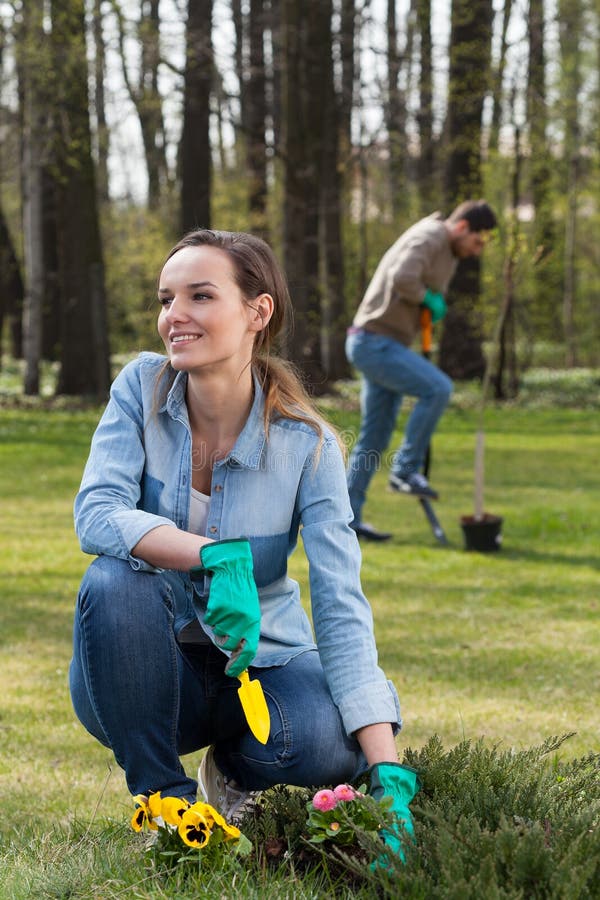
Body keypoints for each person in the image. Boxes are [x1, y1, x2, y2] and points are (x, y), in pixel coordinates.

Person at [69, 229, 419, 849]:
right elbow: (96, 512)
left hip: (260, 664)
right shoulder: (140, 389)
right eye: (165, 298)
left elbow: (341, 603)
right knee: (116, 578)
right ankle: (168, 806)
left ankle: (229, 773)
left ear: (258, 312)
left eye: (200, 296)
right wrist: (210, 553)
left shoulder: (306, 445)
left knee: (322, 745)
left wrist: (385, 766)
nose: (173, 316)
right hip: (142, 670)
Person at [345, 200, 497, 542]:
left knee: (374, 436)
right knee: (438, 388)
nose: (476, 252)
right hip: (374, 342)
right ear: (462, 228)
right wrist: (427, 297)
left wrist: (430, 304)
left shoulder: (447, 250)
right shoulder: (429, 236)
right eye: (477, 242)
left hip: (383, 343)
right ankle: (405, 470)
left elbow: (420, 287)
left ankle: (344, 520)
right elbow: (403, 277)